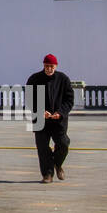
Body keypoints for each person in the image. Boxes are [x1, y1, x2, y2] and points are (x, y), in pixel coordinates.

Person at [26, 54, 74, 182]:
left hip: (58, 120)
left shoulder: (63, 79)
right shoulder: (34, 79)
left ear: (56, 66)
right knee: (42, 147)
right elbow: (29, 99)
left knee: (63, 143)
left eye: (51, 66)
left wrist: (60, 112)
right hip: (40, 119)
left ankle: (57, 164)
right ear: (43, 65)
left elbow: (69, 100)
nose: (49, 69)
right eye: (47, 66)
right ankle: (47, 174)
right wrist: (40, 111)